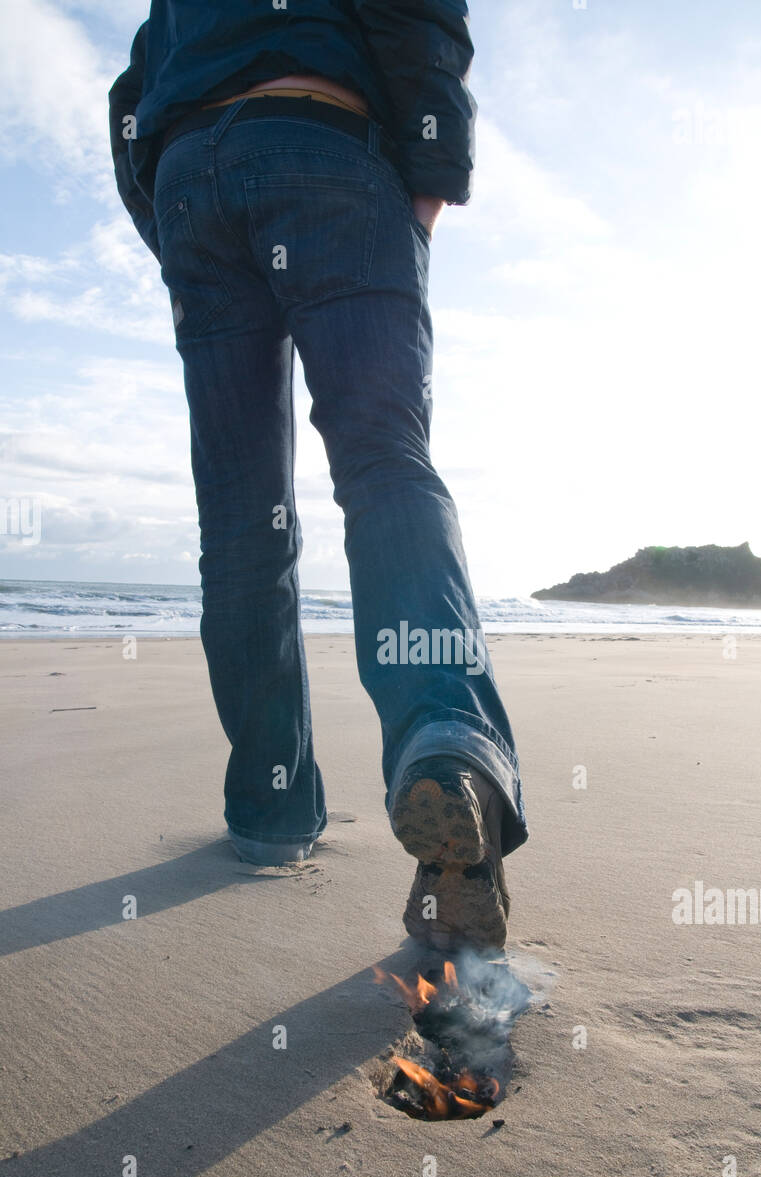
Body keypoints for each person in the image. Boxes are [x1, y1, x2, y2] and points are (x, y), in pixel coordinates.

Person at [109, 1, 528, 952]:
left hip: (192, 178)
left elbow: (132, 89)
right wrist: (430, 182)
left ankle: (268, 812)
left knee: (239, 521)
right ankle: (444, 743)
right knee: (384, 464)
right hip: (327, 144)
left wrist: (168, 206)